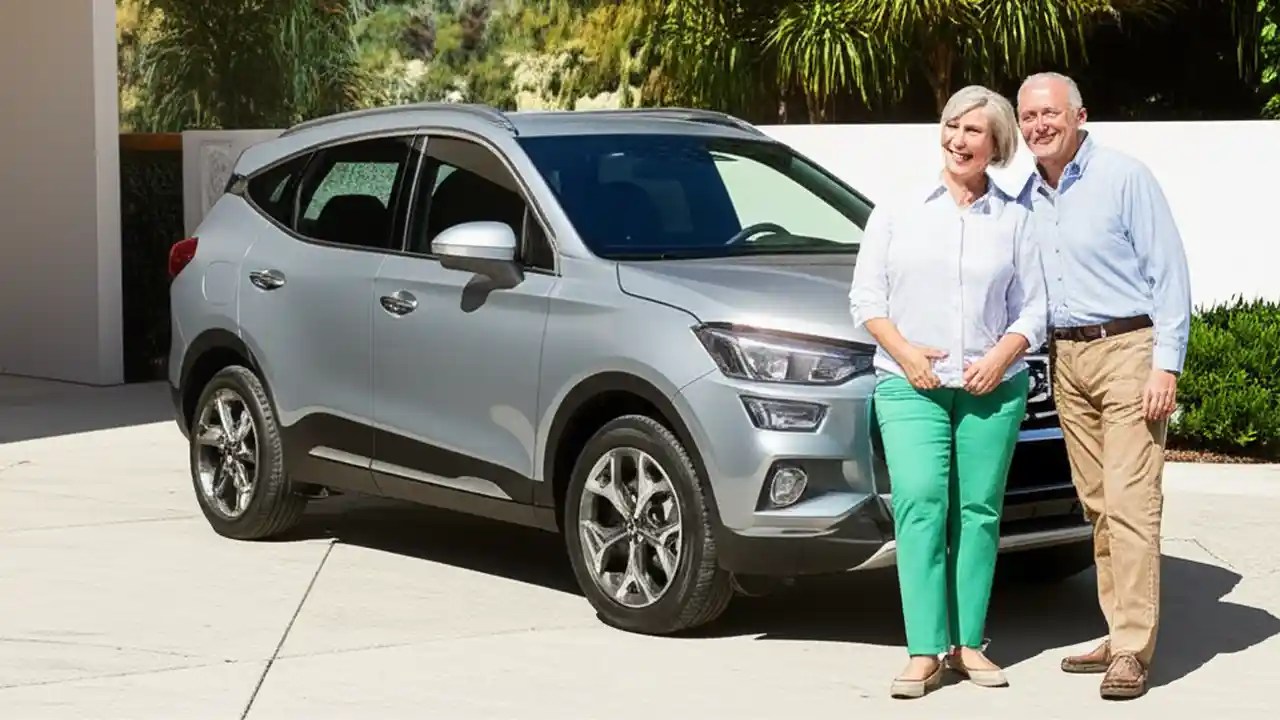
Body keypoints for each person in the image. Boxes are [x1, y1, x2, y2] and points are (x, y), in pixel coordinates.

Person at [849, 84, 1048, 699]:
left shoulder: (1015, 219)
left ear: (996, 145)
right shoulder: (899, 208)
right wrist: (908, 355)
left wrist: (1001, 356)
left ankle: (968, 645)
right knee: (920, 508)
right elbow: (866, 300)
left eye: (973, 131)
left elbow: (1035, 310)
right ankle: (924, 650)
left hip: (994, 385)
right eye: (951, 126)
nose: (958, 140)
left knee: (979, 513)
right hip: (911, 385)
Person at [1015, 71, 1192, 700]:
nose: (1039, 126)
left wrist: (1165, 363)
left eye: (1050, 114)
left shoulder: (1124, 178)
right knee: (1096, 504)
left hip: (1128, 351)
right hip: (1066, 359)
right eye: (1029, 117)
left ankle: (1134, 650)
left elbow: (1169, 273)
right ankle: (1118, 630)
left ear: (1079, 115)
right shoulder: (1026, 196)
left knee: (1131, 503)